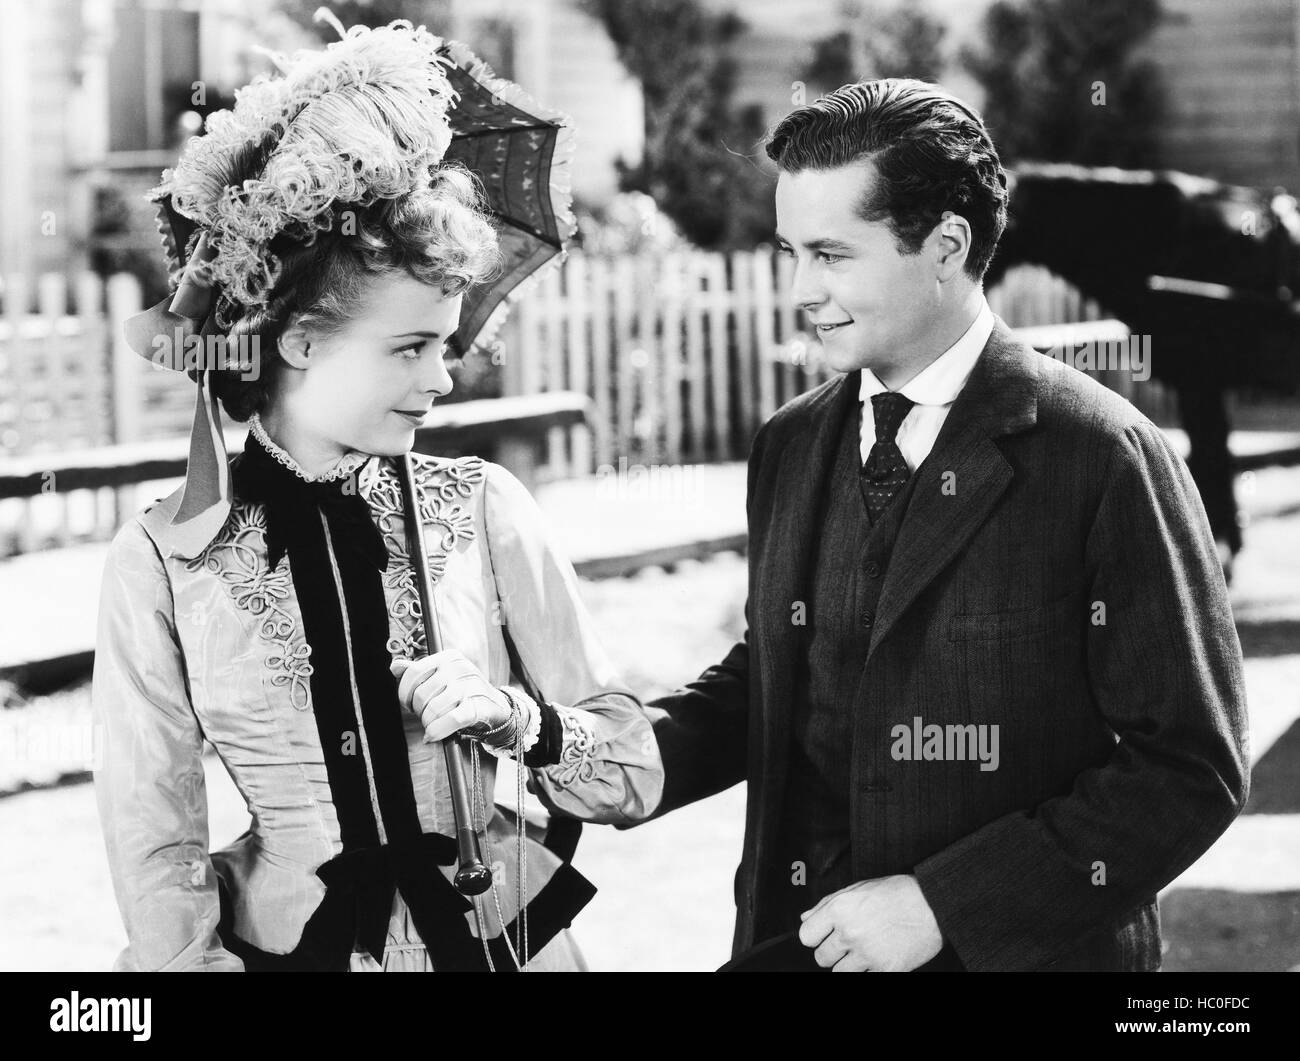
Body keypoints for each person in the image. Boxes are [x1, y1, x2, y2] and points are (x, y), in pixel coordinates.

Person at [91, 21, 661, 972]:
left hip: (502, 944)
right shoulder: (163, 557)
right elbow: (152, 832)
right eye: (409, 348)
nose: (443, 378)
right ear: (301, 341)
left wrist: (519, 720)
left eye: (445, 342)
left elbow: (634, 775)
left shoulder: (485, 506)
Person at [644, 79, 1250, 971]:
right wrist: (647, 752)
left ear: (946, 246)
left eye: (831, 254)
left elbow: (1190, 769)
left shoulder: (1105, 455)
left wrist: (946, 904)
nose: (801, 290)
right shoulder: (789, 445)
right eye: (791, 253)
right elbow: (783, 676)